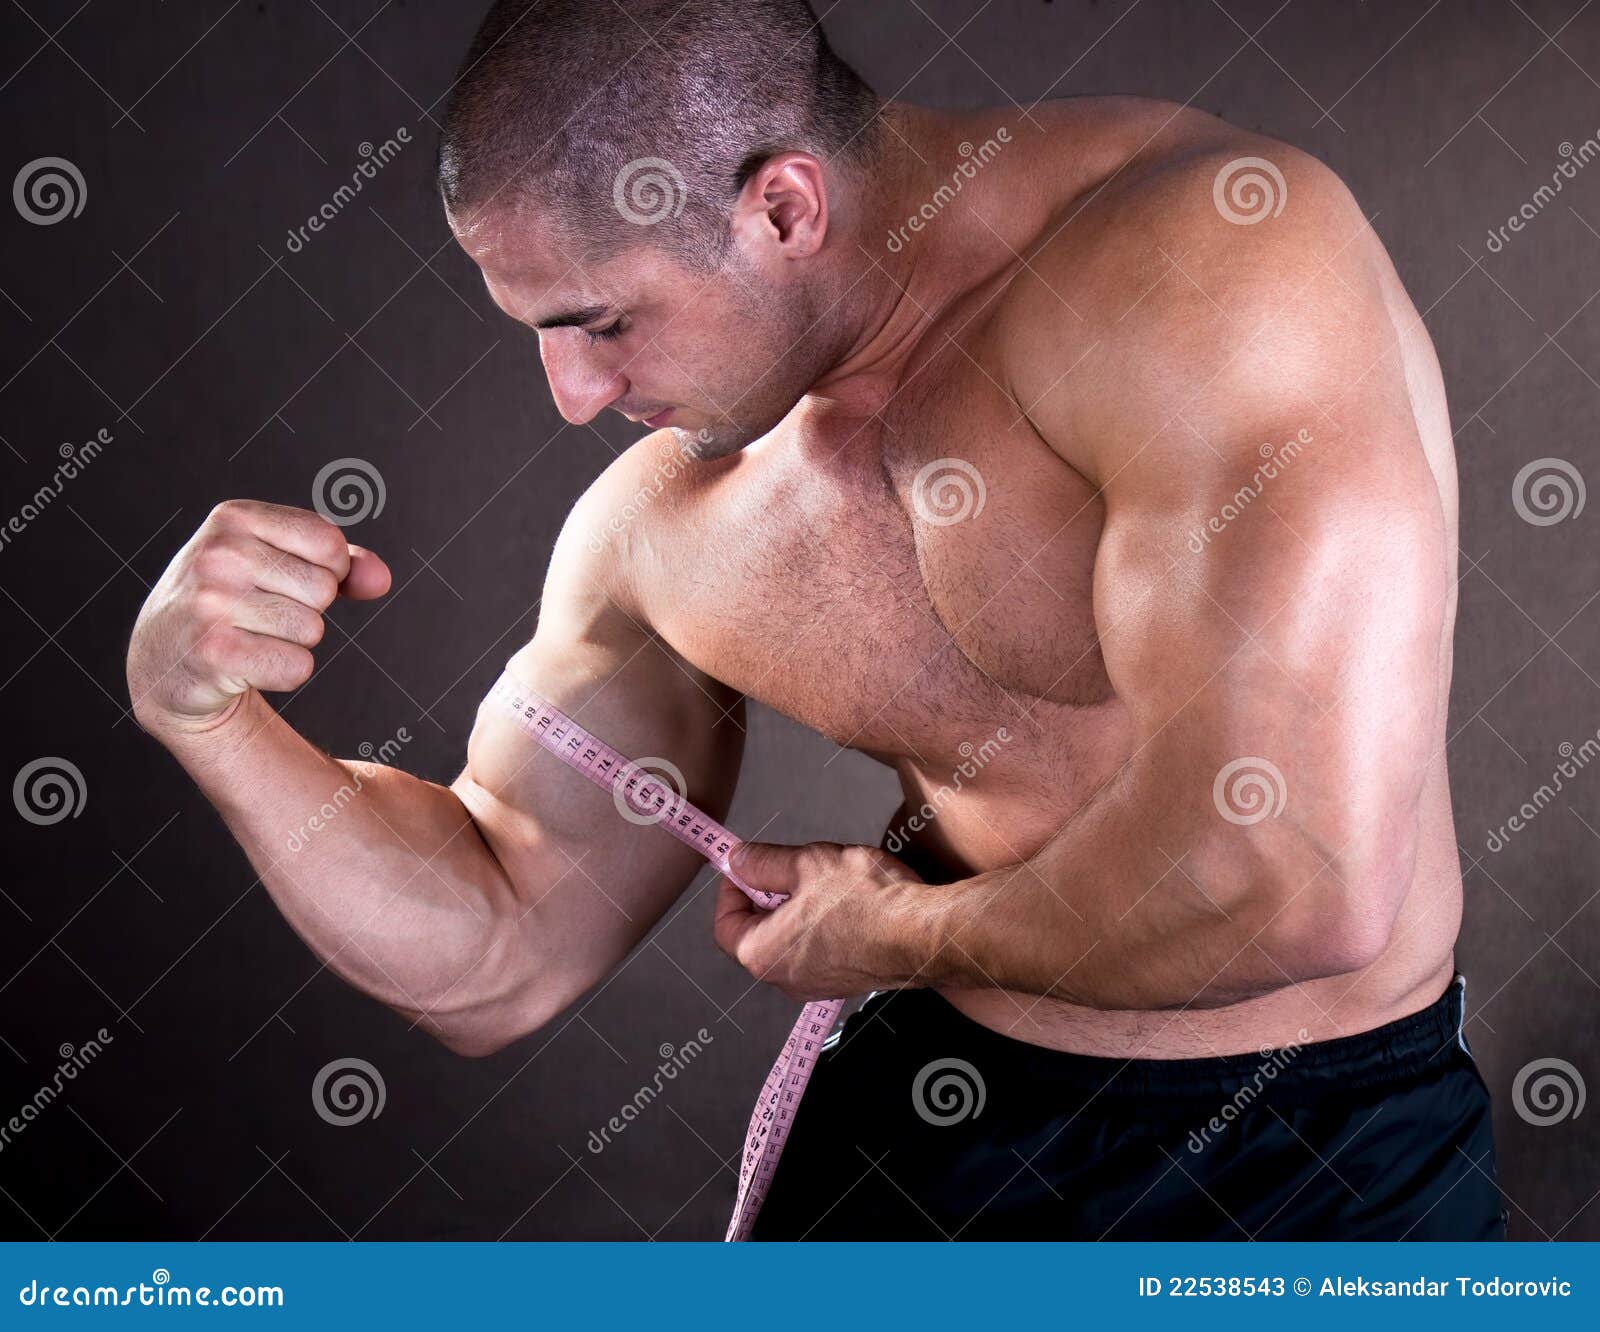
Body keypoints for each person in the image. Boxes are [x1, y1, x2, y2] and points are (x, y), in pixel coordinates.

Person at [125, 0, 1503, 1239]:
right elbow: (494, 950)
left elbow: (1293, 880)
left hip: (1311, 1161)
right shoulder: (669, 521)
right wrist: (207, 719)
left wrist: (896, 939)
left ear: (781, 208)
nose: (569, 393)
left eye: (601, 322)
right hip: (938, 1134)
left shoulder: (1202, 264)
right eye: (537, 330)